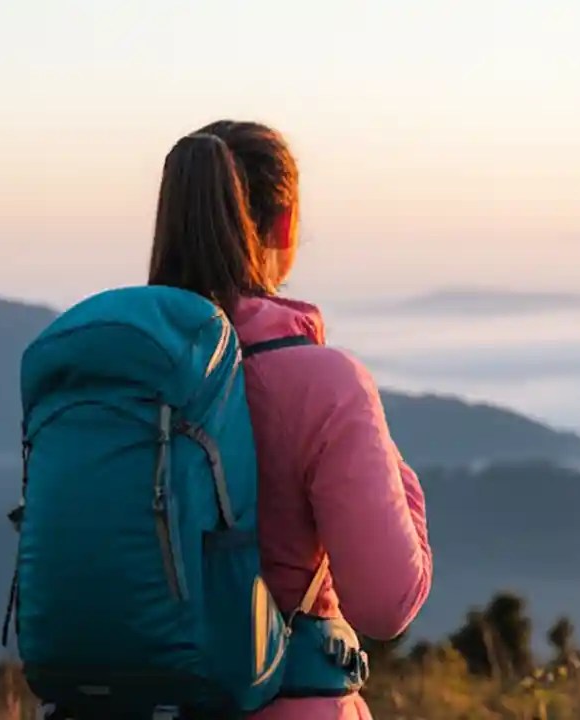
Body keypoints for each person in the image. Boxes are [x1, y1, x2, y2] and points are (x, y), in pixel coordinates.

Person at [146, 120, 433, 720]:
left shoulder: (127, 374)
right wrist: (402, 479)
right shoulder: (324, 385)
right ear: (285, 226)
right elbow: (387, 604)